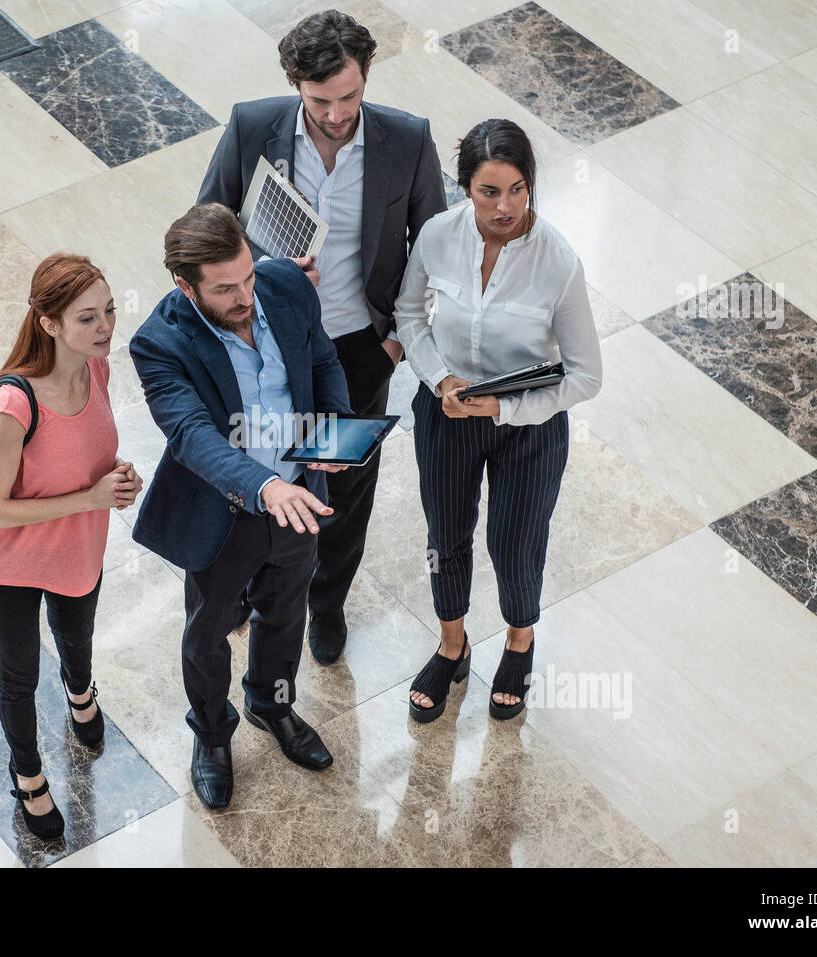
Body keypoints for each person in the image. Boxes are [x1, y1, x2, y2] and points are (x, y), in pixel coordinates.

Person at [198, 9, 446, 665]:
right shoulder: (254, 127)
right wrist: (261, 262)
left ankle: (326, 603)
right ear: (294, 85)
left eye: (350, 97)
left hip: (359, 351)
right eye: (320, 101)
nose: (337, 115)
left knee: (343, 486)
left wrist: (392, 345)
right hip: (265, 347)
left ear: (366, 78)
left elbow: (436, 255)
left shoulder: (407, 140)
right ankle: (251, 586)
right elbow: (204, 228)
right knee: (259, 467)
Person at [128, 203, 353, 809]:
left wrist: (328, 431)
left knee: (285, 612)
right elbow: (192, 436)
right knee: (208, 631)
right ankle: (210, 734)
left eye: (247, 276)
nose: (245, 295)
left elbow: (323, 358)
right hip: (225, 513)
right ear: (186, 285)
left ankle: (271, 706)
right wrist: (264, 486)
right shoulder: (160, 341)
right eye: (225, 289)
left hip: (300, 496)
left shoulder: (281, 285)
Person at [393, 119, 603, 724]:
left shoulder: (558, 262)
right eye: (489, 191)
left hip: (529, 426)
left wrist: (505, 407)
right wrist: (440, 379)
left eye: (517, 188)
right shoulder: (437, 236)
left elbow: (585, 376)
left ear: (531, 185)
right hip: (448, 411)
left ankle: (518, 640)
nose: (505, 205)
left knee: (515, 541)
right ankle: (452, 643)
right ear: (465, 190)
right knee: (446, 536)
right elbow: (409, 314)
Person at [0, 252, 143, 839]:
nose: (106, 327)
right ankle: (30, 776)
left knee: (77, 637)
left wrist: (116, 477)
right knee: (19, 675)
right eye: (87, 318)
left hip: (78, 549)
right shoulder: (13, 404)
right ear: (50, 323)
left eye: (110, 311)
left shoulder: (98, 369)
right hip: (8, 566)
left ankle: (82, 697)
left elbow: (86, 455)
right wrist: (90, 500)